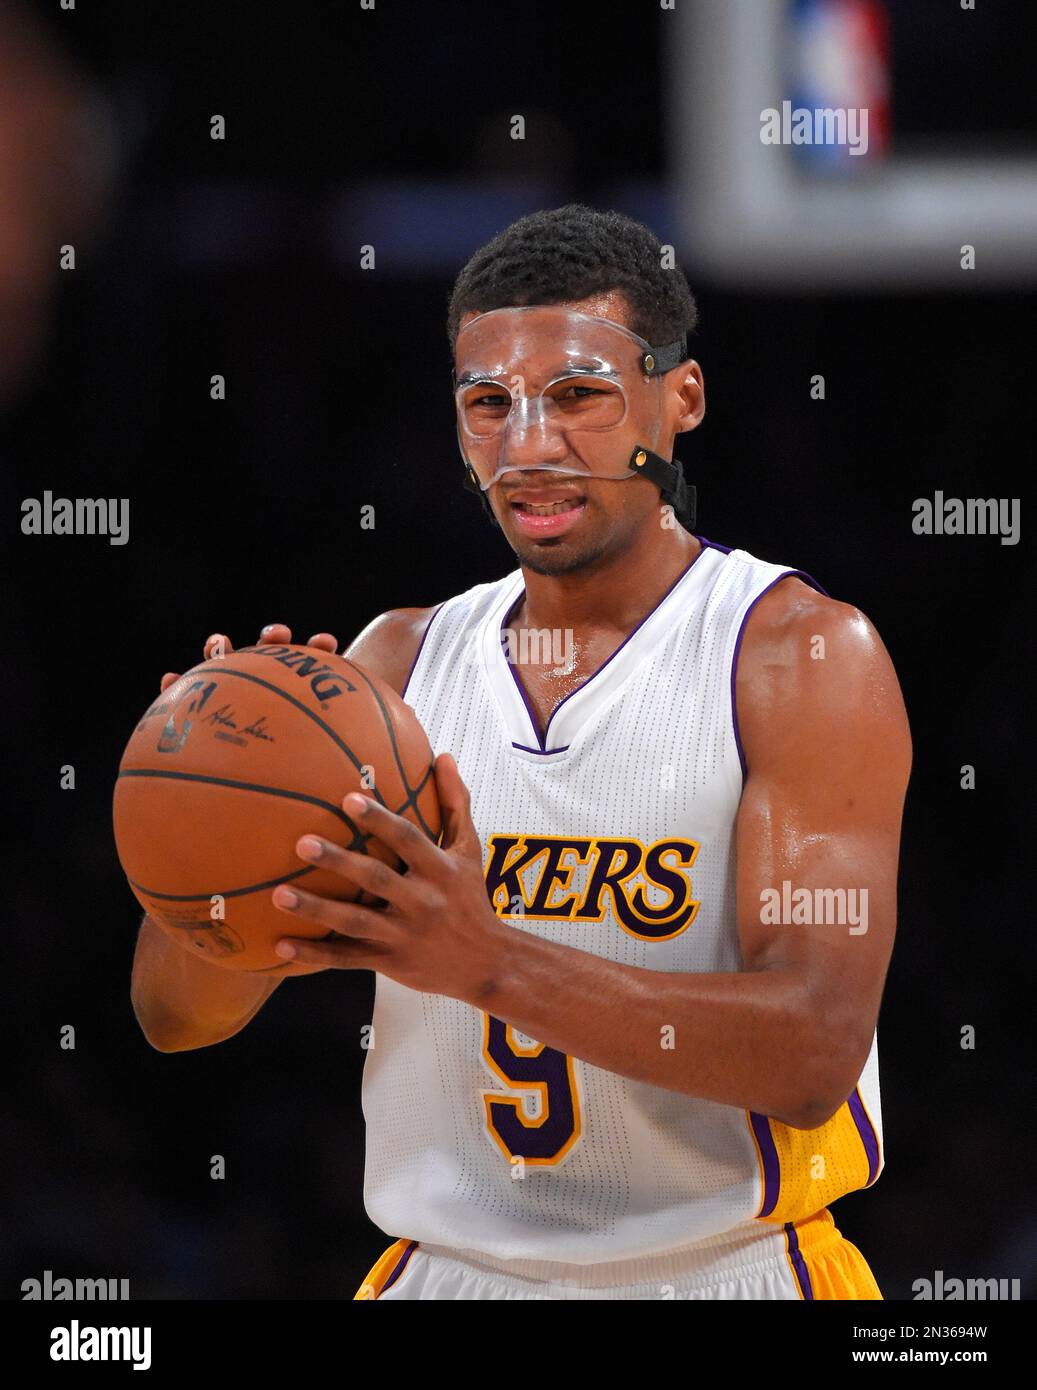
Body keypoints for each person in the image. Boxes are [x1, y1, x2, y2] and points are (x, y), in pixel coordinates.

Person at [132, 204, 912, 1301]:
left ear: (678, 397)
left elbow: (811, 1052)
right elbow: (173, 1019)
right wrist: (213, 830)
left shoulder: (795, 658)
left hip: (725, 1269)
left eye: (579, 396)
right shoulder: (393, 664)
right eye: (486, 404)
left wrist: (483, 960)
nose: (529, 445)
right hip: (443, 1273)